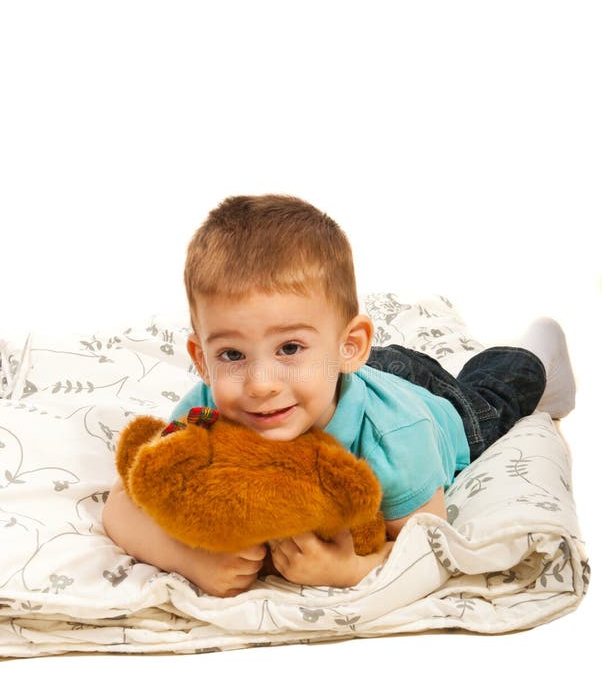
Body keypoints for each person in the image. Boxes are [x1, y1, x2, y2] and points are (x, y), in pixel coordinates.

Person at [102, 194, 576, 597]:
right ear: (201, 358)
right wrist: (191, 560)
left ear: (351, 345)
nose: (260, 383)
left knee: (493, 395)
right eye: (231, 354)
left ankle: (538, 351)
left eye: (288, 347)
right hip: (333, 374)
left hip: (429, 401)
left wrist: (347, 571)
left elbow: (427, 548)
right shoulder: (206, 413)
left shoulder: (396, 441)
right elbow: (123, 504)